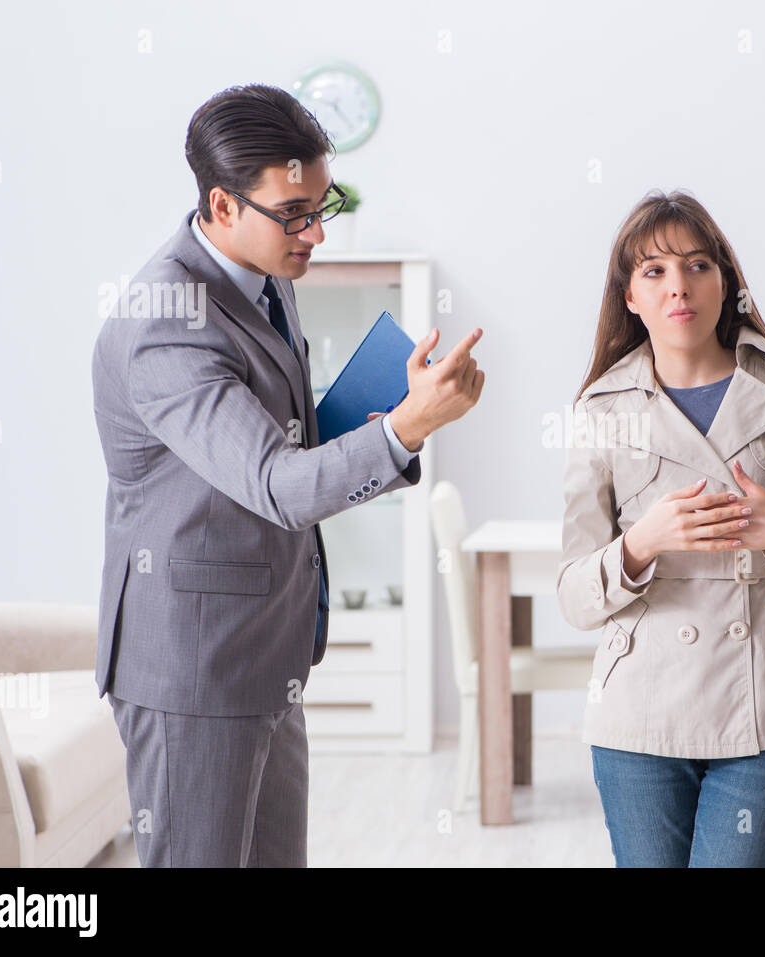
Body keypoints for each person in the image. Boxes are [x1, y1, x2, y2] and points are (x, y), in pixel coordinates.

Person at [90, 84, 484, 867]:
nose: (316, 232)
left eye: (322, 204)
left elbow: (281, 449)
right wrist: (412, 427)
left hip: (267, 652)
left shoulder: (266, 276)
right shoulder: (168, 321)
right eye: (294, 212)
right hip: (192, 671)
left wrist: (392, 414)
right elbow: (278, 484)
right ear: (223, 205)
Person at [556, 189, 765, 867]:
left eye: (697, 265)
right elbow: (573, 595)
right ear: (629, 296)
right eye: (653, 271)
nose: (678, 286)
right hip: (640, 707)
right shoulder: (600, 409)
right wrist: (643, 541)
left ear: (726, 281)